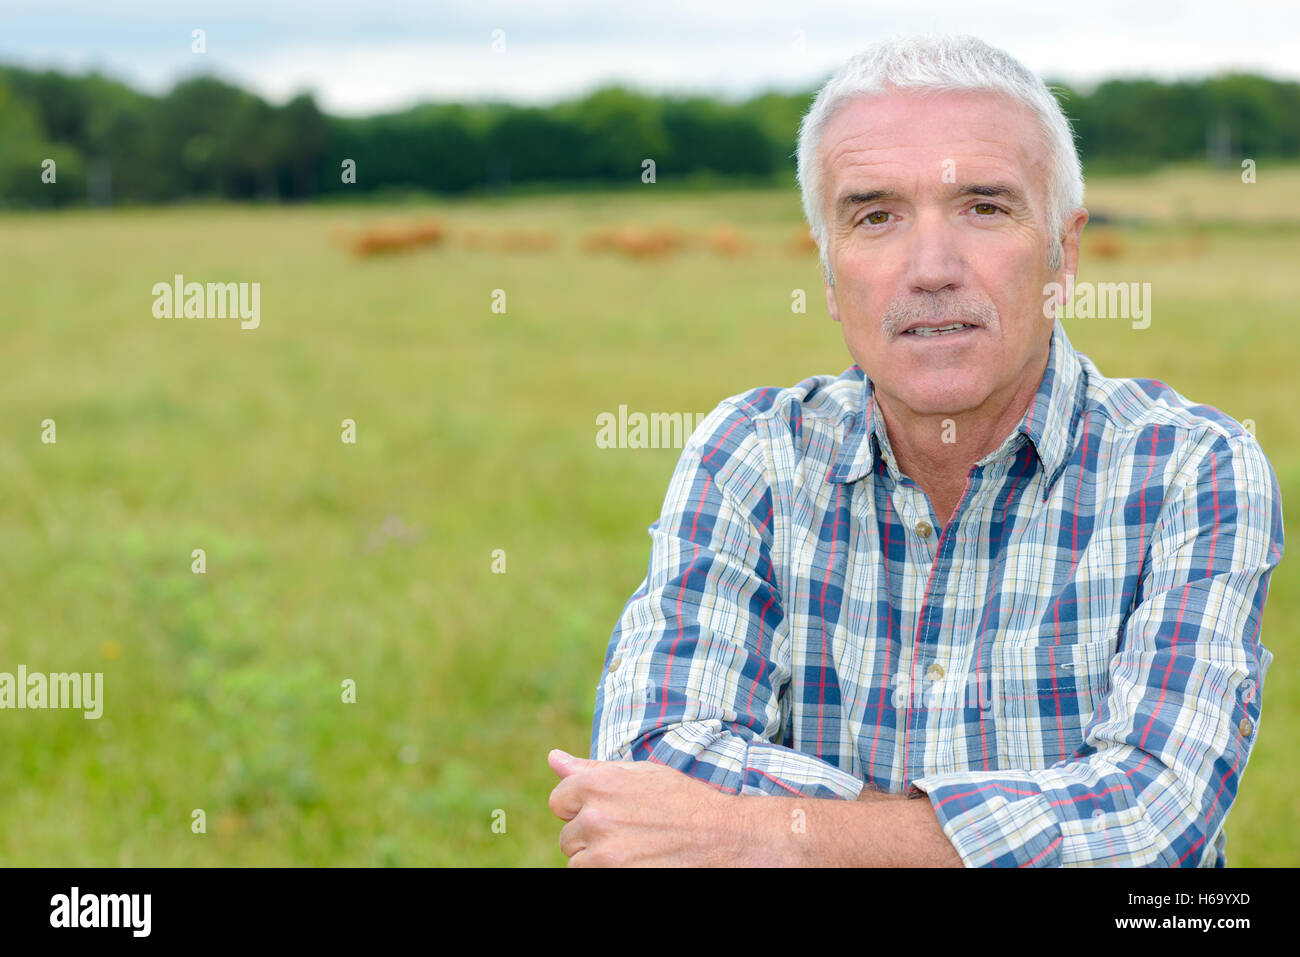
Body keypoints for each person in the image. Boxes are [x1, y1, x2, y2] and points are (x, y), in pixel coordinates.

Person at [547, 33, 1284, 866]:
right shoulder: (749, 454)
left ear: (1064, 256)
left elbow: (1151, 816)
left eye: (984, 207)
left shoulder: (1192, 470)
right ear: (828, 273)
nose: (931, 268)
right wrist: (1007, 830)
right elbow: (660, 756)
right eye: (875, 217)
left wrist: (761, 832)